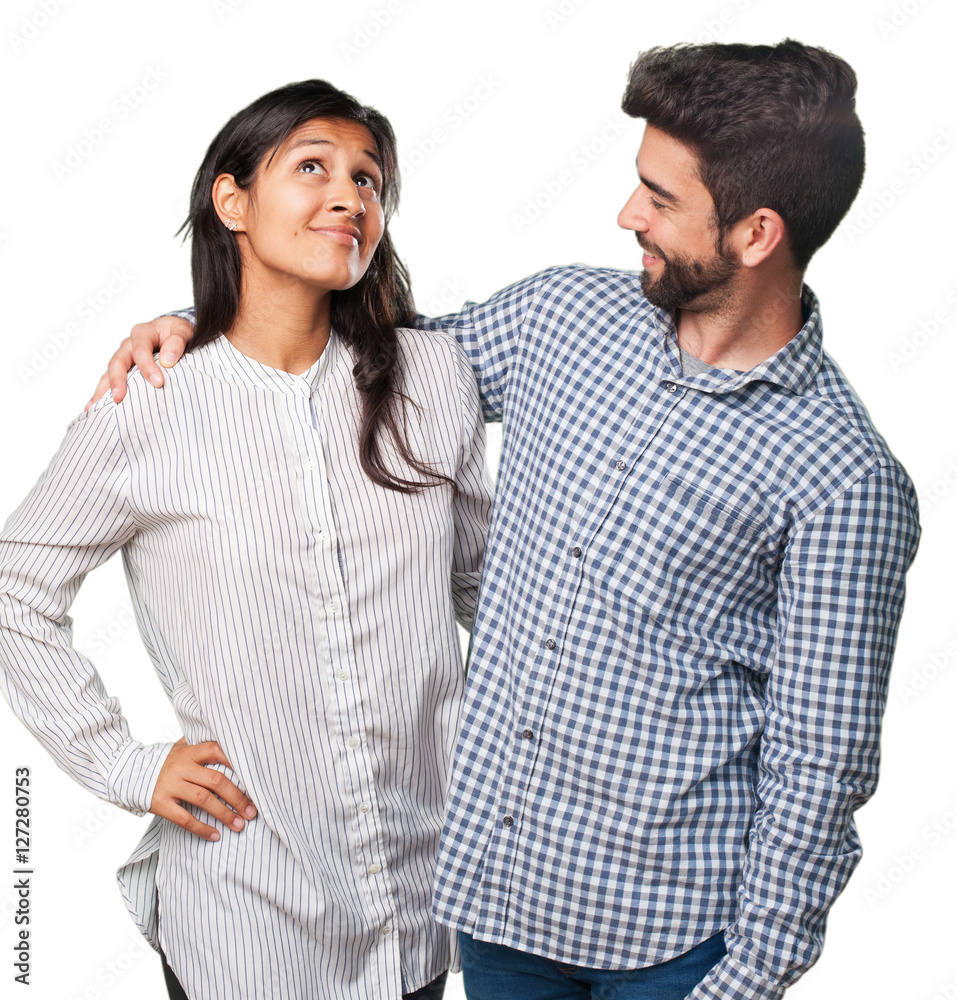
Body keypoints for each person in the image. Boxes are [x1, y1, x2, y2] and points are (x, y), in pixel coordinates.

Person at [95, 41, 920, 1000]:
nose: (627, 215)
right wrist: (203, 327)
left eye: (659, 198)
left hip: (673, 950)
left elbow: (818, 765)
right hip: (494, 914)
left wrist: (745, 983)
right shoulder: (565, 315)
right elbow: (364, 369)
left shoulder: (842, 477)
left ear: (754, 234)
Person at [0, 80, 492, 1000]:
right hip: (247, 918)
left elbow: (488, 594)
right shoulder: (150, 403)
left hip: (424, 909)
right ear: (232, 201)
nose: (350, 197)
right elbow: (14, 586)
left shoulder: (431, 376)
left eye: (369, 180)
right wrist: (122, 764)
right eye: (312, 167)